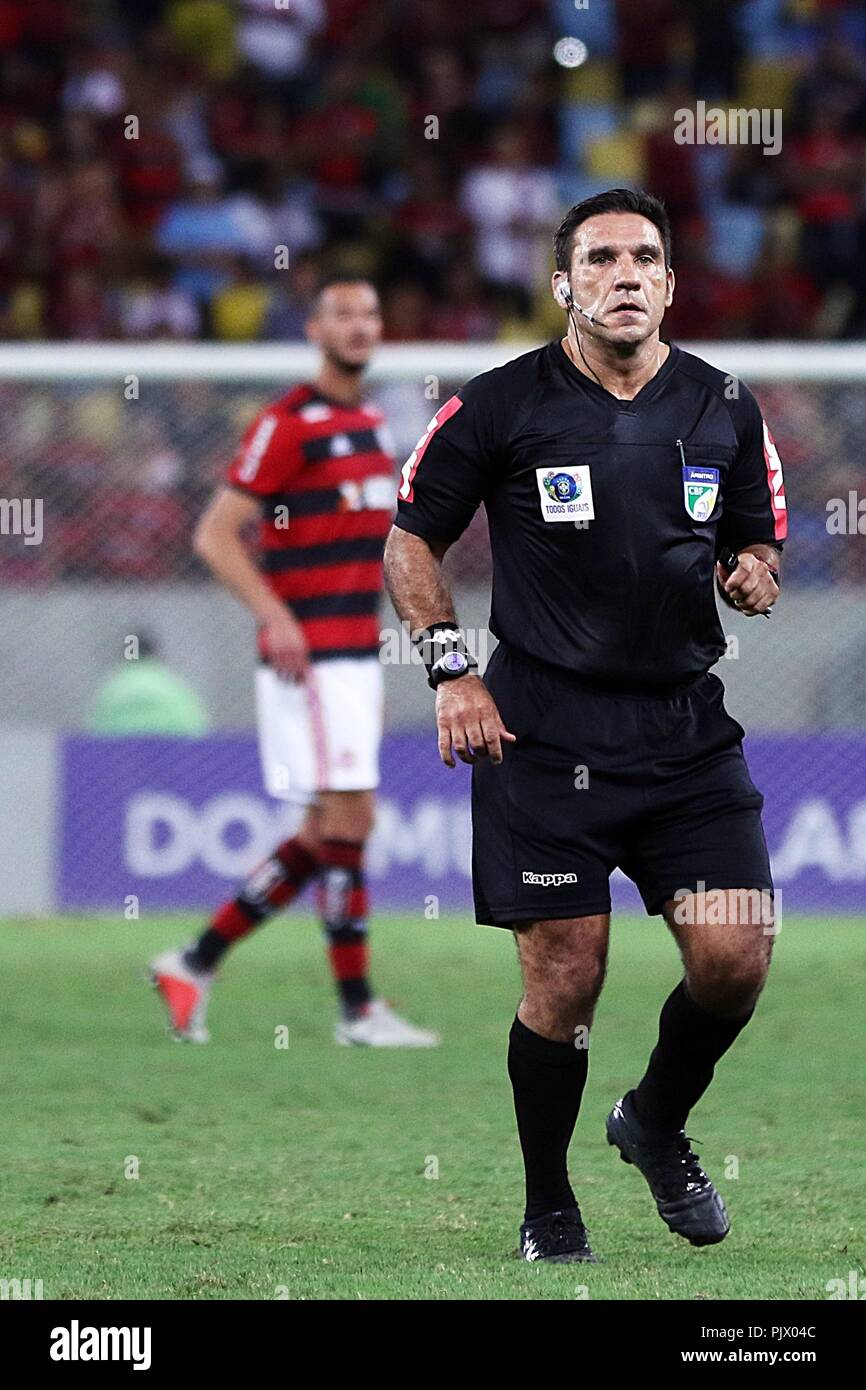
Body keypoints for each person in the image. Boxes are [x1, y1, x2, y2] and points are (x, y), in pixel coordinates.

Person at [383, 188, 786, 1262]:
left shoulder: (722, 402)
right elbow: (411, 539)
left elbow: (755, 537)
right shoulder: (498, 404)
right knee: (564, 979)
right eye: (599, 257)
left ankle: (651, 1120)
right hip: (541, 731)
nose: (623, 273)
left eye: (643, 256)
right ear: (562, 282)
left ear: (666, 281)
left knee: (735, 954)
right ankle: (546, 1205)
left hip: (683, 731)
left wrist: (751, 570)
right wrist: (448, 672)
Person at [151, 275, 438, 1049]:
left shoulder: (373, 421)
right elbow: (215, 534)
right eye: (342, 313)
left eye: (370, 311)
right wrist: (274, 614)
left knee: (329, 828)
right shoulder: (288, 423)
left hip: (354, 651)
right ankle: (356, 1011)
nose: (359, 325)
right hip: (309, 654)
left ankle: (193, 962)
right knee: (347, 819)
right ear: (314, 329)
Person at [87, 634, 209, 735]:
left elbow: (92, 735)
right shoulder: (173, 686)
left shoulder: (114, 688)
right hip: (171, 758)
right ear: (154, 653)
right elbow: (198, 730)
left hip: (122, 760)